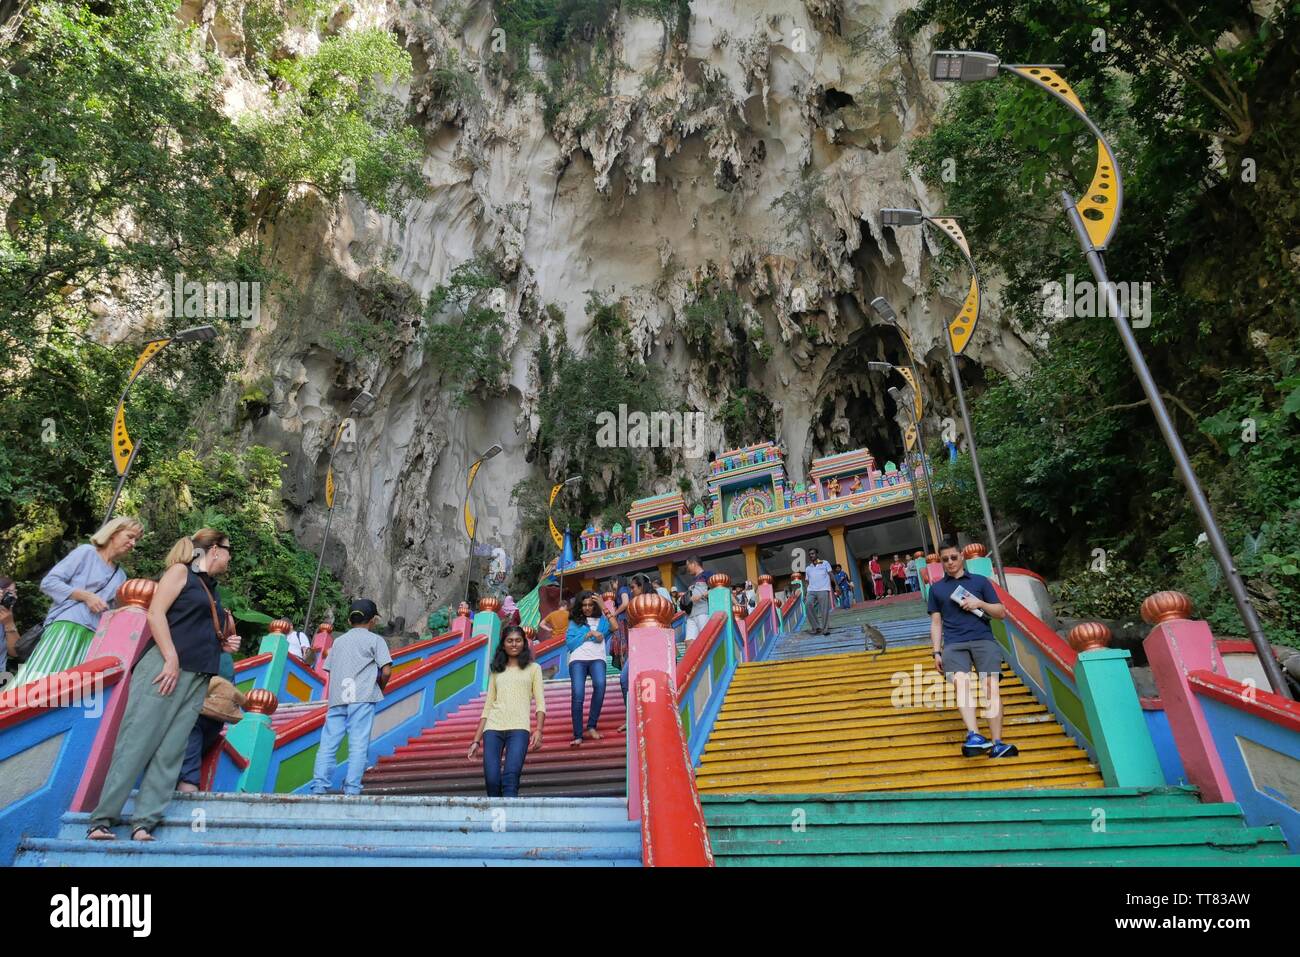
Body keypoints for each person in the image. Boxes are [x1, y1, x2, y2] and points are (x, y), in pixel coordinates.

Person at [88, 528, 239, 841]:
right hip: (165, 669)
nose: (229, 558)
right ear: (213, 550)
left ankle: (144, 822)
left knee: (172, 750)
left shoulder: (211, 587)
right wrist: (170, 657)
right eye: (227, 551)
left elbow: (195, 625)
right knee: (137, 740)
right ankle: (102, 820)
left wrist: (224, 645)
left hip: (199, 675)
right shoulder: (180, 572)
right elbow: (155, 613)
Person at [13, 517, 142, 686]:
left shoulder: (120, 575)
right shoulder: (87, 552)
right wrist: (86, 596)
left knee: (69, 691)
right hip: (66, 626)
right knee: (40, 681)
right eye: (130, 536)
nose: (133, 543)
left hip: (93, 638)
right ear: (114, 533)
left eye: (136, 540)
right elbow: (49, 583)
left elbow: (111, 613)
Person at [928, 538, 1016, 759]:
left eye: (954, 557)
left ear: (962, 556)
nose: (950, 562)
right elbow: (936, 623)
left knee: (990, 686)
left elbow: (1001, 613)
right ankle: (974, 735)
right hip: (954, 644)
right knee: (961, 683)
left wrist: (980, 604)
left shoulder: (980, 582)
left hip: (983, 640)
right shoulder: (936, 589)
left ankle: (997, 743)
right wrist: (936, 651)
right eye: (945, 559)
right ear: (941, 561)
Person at [310, 599, 393, 795]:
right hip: (362, 696)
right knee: (358, 743)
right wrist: (379, 686)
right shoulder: (376, 640)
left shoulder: (338, 642)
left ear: (349, 620)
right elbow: (387, 670)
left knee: (328, 744)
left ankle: (319, 786)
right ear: (373, 620)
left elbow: (328, 668)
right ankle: (352, 788)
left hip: (338, 698)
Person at [468, 625, 545, 797]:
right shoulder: (496, 671)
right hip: (493, 728)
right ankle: (495, 820)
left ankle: (510, 821)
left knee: (511, 777)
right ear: (503, 644)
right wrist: (476, 741)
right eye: (510, 641)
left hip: (519, 728)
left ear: (524, 643)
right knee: (492, 779)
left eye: (518, 640)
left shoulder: (534, 669)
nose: (514, 644)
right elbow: (487, 706)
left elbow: (540, 703)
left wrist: (539, 730)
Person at [564, 591, 617, 747]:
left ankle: (592, 725)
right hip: (578, 660)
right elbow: (570, 644)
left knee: (600, 685)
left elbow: (614, 626)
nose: (587, 608)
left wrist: (603, 605)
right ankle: (578, 734)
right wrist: (588, 635)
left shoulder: (602, 620)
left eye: (590, 605)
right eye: (584, 605)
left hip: (597, 659)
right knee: (578, 694)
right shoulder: (575, 622)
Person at [804, 548, 834, 636]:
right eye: (809, 554)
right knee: (808, 604)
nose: (811, 555)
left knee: (824, 609)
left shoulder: (825, 563)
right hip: (811, 590)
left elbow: (831, 574)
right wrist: (806, 592)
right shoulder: (808, 568)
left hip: (823, 589)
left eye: (813, 553)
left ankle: (825, 629)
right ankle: (816, 627)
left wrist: (836, 586)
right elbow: (807, 581)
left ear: (817, 554)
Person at [0, 576, 18, 680]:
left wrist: (9, 623)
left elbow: (14, 652)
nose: (14, 596)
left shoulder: (6, 616)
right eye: (9, 592)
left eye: (14, 592)